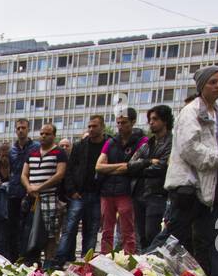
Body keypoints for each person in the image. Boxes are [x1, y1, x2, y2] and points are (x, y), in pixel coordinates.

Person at [151, 65, 218, 276]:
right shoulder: (190, 112)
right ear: (202, 85)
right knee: (173, 235)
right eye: (213, 82)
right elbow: (189, 149)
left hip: (212, 186)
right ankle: (145, 267)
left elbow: (214, 147)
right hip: (189, 185)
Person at [95, 109, 147, 254]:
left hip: (127, 191)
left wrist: (111, 168)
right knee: (106, 230)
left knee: (127, 230)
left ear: (133, 122)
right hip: (107, 191)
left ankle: (128, 259)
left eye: (124, 122)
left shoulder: (142, 141)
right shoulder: (110, 142)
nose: (120, 126)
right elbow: (99, 166)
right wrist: (123, 167)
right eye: (118, 122)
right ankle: (105, 259)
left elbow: (135, 166)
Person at [56, 115, 106, 264]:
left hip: (97, 194)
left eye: (94, 126)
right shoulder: (80, 146)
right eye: (89, 126)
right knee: (70, 227)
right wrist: (71, 191)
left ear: (102, 127)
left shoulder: (108, 145)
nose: (91, 129)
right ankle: (60, 259)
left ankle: (86, 262)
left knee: (91, 230)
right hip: (79, 194)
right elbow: (70, 170)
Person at [127, 104, 173, 248]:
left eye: (155, 119)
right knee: (141, 237)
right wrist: (147, 162)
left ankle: (153, 264)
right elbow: (130, 164)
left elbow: (162, 167)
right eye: (150, 119)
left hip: (157, 194)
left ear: (165, 121)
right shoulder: (148, 144)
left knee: (152, 234)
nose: (151, 122)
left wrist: (141, 168)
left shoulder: (171, 142)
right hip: (139, 193)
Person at [21, 122, 67, 267]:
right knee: (30, 231)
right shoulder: (32, 152)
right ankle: (32, 262)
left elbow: (60, 174)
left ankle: (49, 262)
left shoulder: (59, 153)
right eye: (41, 134)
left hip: (50, 198)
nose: (44, 136)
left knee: (50, 233)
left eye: (47, 134)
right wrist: (29, 187)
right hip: (32, 199)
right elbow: (24, 174)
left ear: (54, 135)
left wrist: (40, 187)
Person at [7, 119, 37, 259]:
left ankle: (27, 256)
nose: (21, 130)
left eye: (23, 128)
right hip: (13, 191)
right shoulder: (12, 150)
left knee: (28, 226)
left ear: (28, 129)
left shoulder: (35, 147)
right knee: (13, 226)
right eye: (18, 128)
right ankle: (13, 256)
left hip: (30, 191)